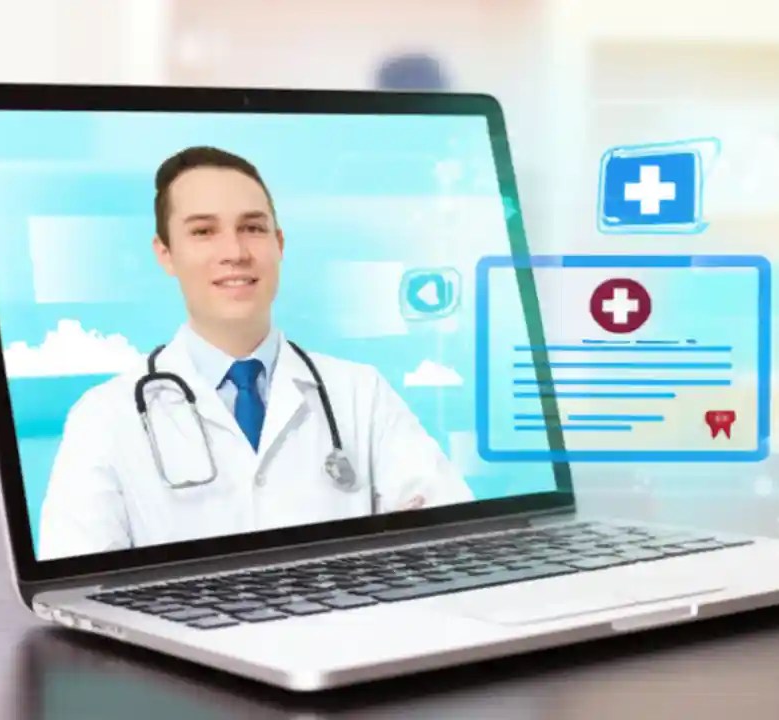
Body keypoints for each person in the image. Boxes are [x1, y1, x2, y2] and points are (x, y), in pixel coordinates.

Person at [37, 146, 474, 560]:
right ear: (166, 254)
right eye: (204, 231)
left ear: (279, 243)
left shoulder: (361, 393)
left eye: (252, 228)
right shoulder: (103, 418)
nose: (235, 253)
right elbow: (79, 585)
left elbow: (452, 536)